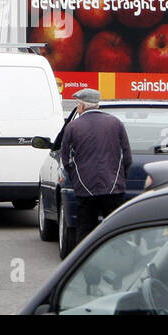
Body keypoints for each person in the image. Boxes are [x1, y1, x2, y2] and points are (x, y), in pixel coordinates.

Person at [59, 88, 131, 248]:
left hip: (85, 188)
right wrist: (120, 178)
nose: (78, 108)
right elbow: (126, 156)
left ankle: (84, 263)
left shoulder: (72, 127)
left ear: (82, 106)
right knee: (115, 229)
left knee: (85, 229)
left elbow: (65, 159)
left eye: (77, 105)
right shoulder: (116, 123)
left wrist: (76, 180)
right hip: (113, 188)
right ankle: (120, 262)